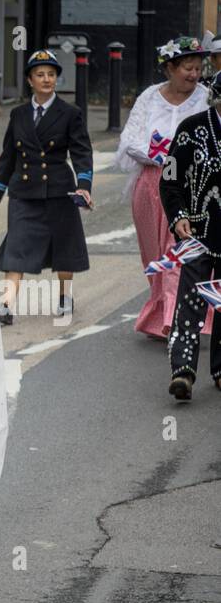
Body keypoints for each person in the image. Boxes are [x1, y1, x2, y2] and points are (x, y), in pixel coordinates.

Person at [0, 49, 94, 325]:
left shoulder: (70, 113)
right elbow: (8, 156)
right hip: (24, 192)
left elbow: (82, 152)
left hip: (59, 191)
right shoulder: (18, 114)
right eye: (40, 75)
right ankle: (7, 304)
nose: (46, 79)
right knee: (17, 247)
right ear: (30, 80)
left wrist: (84, 186)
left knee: (64, 247)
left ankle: (65, 296)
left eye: (51, 74)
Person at [117, 36, 209, 338]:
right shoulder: (149, 97)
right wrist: (161, 153)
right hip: (149, 185)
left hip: (189, 185)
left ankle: (176, 317)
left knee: (178, 251)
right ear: (170, 67)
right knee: (154, 255)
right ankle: (160, 312)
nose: (194, 75)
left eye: (198, 68)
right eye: (187, 68)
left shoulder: (206, 98)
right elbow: (130, 140)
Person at [159, 71, 221, 400]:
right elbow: (169, 181)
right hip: (197, 230)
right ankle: (183, 371)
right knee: (191, 301)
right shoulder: (190, 130)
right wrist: (178, 216)